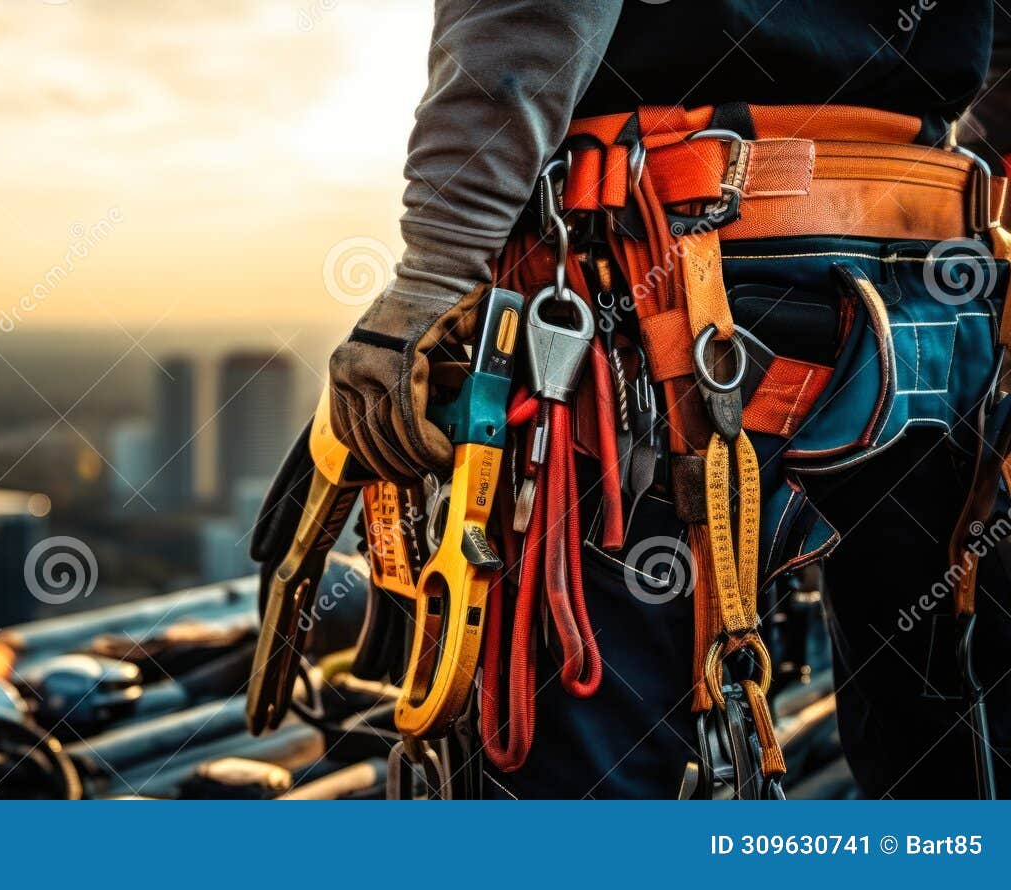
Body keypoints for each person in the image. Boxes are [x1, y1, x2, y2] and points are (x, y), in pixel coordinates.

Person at [326, 1, 1011, 798]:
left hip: (668, 281)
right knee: (932, 712)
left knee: (585, 757)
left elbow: (531, 22)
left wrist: (437, 268)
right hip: (935, 294)